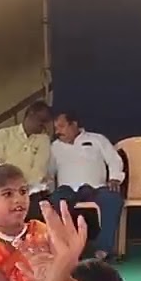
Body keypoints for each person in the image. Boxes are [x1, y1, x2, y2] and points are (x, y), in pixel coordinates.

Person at [49, 111, 125, 260]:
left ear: (74, 124)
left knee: (113, 199)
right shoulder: (54, 147)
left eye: (61, 126)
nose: (58, 131)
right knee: (54, 201)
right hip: (67, 190)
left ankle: (103, 249)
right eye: (56, 128)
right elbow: (49, 172)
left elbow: (114, 160)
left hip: (95, 188)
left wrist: (115, 178)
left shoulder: (97, 139)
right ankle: (67, 249)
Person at [0, 101, 53, 221]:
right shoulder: (5, 134)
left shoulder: (44, 140)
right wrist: (11, 187)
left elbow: (39, 171)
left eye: (47, 121)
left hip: (31, 192)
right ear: (31, 115)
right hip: (5, 189)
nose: (44, 125)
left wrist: (21, 189)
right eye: (42, 120)